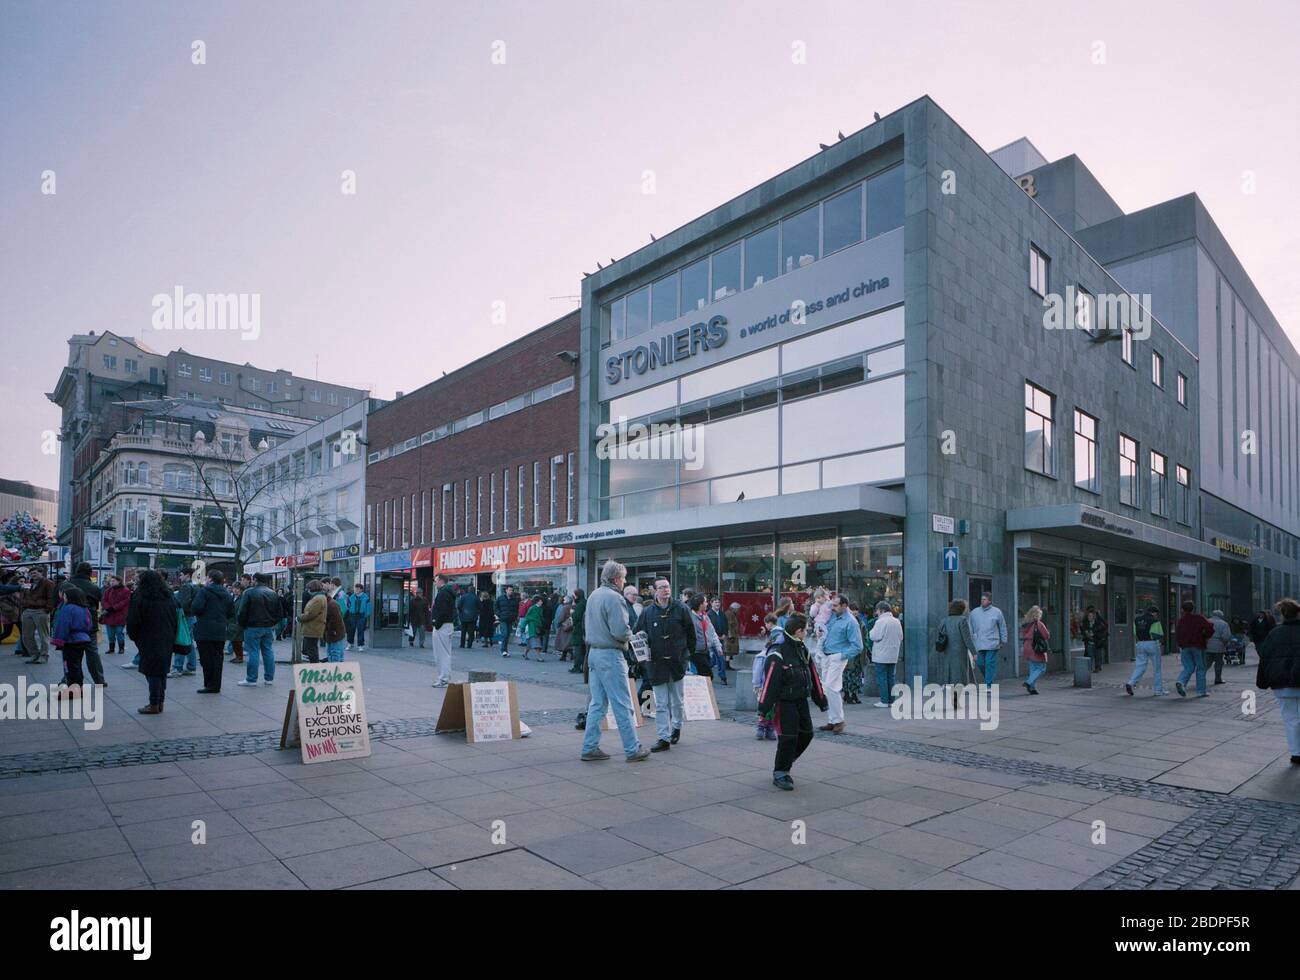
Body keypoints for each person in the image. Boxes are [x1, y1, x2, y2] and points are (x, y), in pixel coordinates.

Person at [580, 561, 650, 763]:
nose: (625, 581)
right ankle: (632, 748)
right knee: (622, 703)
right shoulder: (614, 598)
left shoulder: (594, 595)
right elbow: (620, 631)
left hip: (594, 652)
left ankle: (589, 746)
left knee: (597, 703)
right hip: (611, 654)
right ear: (616, 579)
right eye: (624, 577)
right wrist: (632, 635)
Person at [757, 612, 828, 791]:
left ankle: (787, 759)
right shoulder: (778, 651)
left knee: (807, 734)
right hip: (784, 702)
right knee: (788, 737)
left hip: (801, 699)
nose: (807, 632)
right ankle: (781, 772)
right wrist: (763, 708)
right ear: (798, 631)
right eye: (805, 630)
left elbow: (813, 675)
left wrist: (821, 699)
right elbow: (770, 682)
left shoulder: (802, 649)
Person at [637, 578, 695, 751]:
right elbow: (637, 633)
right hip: (656, 664)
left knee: (677, 700)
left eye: (668, 587)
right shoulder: (648, 612)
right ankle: (663, 737)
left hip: (677, 663)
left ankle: (676, 727)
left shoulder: (681, 609)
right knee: (661, 703)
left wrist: (686, 655)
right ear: (655, 591)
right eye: (662, 587)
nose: (665, 590)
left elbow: (691, 634)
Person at [127, 569, 179, 714]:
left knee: (152, 671)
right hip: (166, 636)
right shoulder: (168, 596)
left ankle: (154, 703)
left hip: (148, 637)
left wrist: (134, 636)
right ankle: (160, 701)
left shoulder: (140, 596)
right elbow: (175, 618)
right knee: (161, 670)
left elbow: (133, 621)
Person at [1255, 597, 1300, 766]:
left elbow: (1265, 658)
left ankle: (1296, 753)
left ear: (1282, 614)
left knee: (1290, 719)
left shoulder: (1274, 633)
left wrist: (1262, 680)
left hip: (1281, 683)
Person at [814, 594, 863, 730]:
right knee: (827, 688)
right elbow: (825, 630)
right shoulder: (832, 616)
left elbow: (858, 646)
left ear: (844, 606)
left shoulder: (851, 622)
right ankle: (833, 720)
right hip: (826, 656)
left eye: (835, 605)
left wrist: (842, 656)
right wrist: (820, 634)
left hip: (837, 657)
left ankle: (839, 720)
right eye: (832, 605)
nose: (832, 607)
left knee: (831, 687)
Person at [191, 569, 235, 693]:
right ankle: (216, 685)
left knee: (206, 658)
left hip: (204, 630)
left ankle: (209, 684)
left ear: (210, 579)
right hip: (220, 630)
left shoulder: (204, 591)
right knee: (217, 658)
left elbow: (196, 608)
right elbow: (231, 612)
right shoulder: (226, 593)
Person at [67, 562, 107, 686]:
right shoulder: (93, 587)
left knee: (71, 653)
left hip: (70, 622)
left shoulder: (67, 585)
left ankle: (70, 679)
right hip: (89, 623)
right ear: (89, 572)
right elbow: (98, 604)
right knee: (92, 652)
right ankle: (99, 680)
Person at [236, 573, 279, 686]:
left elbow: (242, 612)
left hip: (252, 626)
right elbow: (279, 612)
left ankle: (251, 679)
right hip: (268, 627)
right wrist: (273, 623)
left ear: (255, 580)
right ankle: (269, 678)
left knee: (253, 652)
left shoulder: (249, 592)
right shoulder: (273, 593)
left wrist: (242, 624)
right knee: (268, 651)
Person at [51, 586, 94, 697]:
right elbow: (89, 625)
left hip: (71, 640)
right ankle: (78, 687)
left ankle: (73, 690)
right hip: (82, 639)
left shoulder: (68, 608)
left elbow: (63, 625)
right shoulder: (85, 608)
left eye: (64, 596)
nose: (63, 598)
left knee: (69, 666)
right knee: (77, 665)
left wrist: (58, 640)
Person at [936, 598, 977, 696]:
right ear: (961, 609)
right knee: (959, 674)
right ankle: (956, 698)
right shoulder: (962, 620)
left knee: (950, 673)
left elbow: (940, 635)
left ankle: (953, 693)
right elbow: (967, 638)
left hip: (947, 651)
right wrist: (974, 652)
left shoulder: (944, 620)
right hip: (959, 651)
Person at [1174, 599, 1214, 698]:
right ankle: (1201, 691)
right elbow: (1210, 628)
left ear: (1182, 609)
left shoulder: (1181, 620)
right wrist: (1205, 636)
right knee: (1200, 668)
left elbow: (1178, 634)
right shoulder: (1199, 618)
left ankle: (1181, 681)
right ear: (1193, 609)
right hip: (1198, 645)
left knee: (1188, 667)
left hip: (1185, 647)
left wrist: (1181, 644)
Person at [18, 565, 57, 664]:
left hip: (41, 611)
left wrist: (47, 609)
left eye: (35, 573)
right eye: (31, 573)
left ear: (41, 573)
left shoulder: (48, 583)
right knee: (26, 635)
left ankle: (44, 655)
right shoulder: (29, 583)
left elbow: (51, 597)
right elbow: (24, 595)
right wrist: (24, 605)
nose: (33, 575)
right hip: (28, 610)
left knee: (43, 635)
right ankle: (34, 654)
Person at [1127, 604, 1167, 696]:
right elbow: (1159, 634)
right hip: (1152, 644)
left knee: (1140, 666)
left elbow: (1134, 632)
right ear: (1154, 613)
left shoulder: (1137, 620)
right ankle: (1158, 690)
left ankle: (1130, 683)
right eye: (1157, 614)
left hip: (1140, 643)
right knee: (1157, 668)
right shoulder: (1155, 621)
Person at [868, 600, 903, 707]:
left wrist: (870, 632)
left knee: (882, 678)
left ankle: (884, 701)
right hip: (893, 654)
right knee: (891, 678)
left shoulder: (880, 622)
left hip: (881, 655)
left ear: (882, 610)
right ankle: (891, 701)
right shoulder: (896, 621)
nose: (876, 613)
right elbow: (901, 637)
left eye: (877, 610)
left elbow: (874, 636)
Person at [968, 592, 1008, 685]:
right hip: (979, 642)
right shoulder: (974, 612)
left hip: (992, 642)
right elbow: (970, 627)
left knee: (989, 662)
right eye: (981, 599)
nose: (982, 601)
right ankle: (989, 678)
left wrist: (1003, 640)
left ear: (990, 601)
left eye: (984, 599)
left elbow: (1002, 626)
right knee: (980, 663)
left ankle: (988, 684)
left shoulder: (997, 612)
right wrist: (970, 640)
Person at [753, 613, 781, 738]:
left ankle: (768, 727)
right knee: (767, 707)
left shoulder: (767, 655)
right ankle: (763, 726)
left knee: (769, 706)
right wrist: (757, 684)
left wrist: (757, 684)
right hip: (766, 685)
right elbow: (758, 672)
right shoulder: (763, 657)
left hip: (769, 685)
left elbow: (757, 673)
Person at [688, 593, 725, 684]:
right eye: (705, 602)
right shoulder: (690, 617)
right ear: (699, 604)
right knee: (706, 675)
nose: (707, 604)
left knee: (705, 676)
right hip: (695, 652)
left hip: (705, 650)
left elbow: (712, 632)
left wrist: (718, 646)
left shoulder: (705, 616)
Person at [170, 567, 199, 677]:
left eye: (181, 575)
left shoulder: (186, 586)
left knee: (181, 641)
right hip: (192, 617)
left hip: (185, 617)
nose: (180, 577)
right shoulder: (196, 586)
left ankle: (177, 668)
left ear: (187, 575)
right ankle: (191, 667)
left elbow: (183, 603)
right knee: (189, 642)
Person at [430, 573, 456, 686]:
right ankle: (444, 677)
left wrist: (436, 623)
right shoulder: (447, 592)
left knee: (441, 654)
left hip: (443, 626)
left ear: (441, 581)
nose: (435, 583)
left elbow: (442, 610)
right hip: (447, 625)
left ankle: (443, 679)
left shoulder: (443, 592)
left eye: (436, 580)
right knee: (445, 653)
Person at [1021, 605, 1049, 695]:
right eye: (1040, 614)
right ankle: (1029, 682)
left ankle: (1032, 688)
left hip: (1027, 646)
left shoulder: (1025, 623)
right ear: (1037, 615)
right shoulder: (1039, 624)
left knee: (1033, 668)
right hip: (1035, 647)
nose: (1040, 616)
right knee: (1042, 668)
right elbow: (1046, 635)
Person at [298, 580, 328, 663]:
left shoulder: (318, 599)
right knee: (312, 648)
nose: (308, 590)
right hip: (313, 627)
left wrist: (299, 618)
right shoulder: (318, 597)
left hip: (313, 627)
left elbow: (311, 614)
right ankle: (314, 666)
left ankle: (314, 667)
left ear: (313, 588)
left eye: (309, 588)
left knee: (311, 649)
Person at [100, 575, 131, 656]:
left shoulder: (125, 590)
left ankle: (121, 648)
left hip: (120, 615)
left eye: (113, 581)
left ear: (119, 581)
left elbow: (125, 601)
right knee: (110, 634)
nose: (111, 582)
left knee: (119, 632)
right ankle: (111, 648)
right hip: (109, 614)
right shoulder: (108, 590)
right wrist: (108, 607)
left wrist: (114, 607)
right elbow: (104, 600)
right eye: (111, 581)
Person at [1206, 609, 1232, 685]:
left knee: (1207, 663)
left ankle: (1200, 677)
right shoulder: (1224, 624)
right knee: (1219, 662)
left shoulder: (1207, 621)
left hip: (1208, 645)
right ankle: (1218, 678)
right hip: (1219, 645)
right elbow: (1226, 636)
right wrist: (1225, 643)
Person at [324, 580, 348, 662]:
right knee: (335, 652)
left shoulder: (340, 594)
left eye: (330, 584)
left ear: (333, 584)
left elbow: (342, 610)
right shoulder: (337, 593)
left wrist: (339, 618)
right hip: (336, 624)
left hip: (336, 626)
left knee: (336, 652)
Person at [1081, 605, 1108, 673]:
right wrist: (1085, 633)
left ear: (1094, 616)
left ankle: (1097, 667)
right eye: (1088, 616)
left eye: (1091, 616)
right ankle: (1089, 668)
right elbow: (1082, 628)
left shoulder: (1098, 622)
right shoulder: (1085, 621)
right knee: (1089, 655)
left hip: (1097, 641)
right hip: (1089, 641)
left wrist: (1094, 633)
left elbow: (1103, 628)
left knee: (1097, 654)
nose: (1089, 617)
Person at [345, 583, 370, 651]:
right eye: (355, 588)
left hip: (361, 616)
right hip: (352, 615)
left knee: (360, 630)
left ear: (361, 589)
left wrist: (366, 615)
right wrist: (349, 612)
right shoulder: (351, 597)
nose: (356, 590)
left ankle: (360, 645)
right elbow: (348, 605)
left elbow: (368, 607)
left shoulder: (366, 597)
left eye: (358, 588)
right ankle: (350, 643)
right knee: (351, 630)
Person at [495, 585, 518, 656]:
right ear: (506, 590)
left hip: (510, 619)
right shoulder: (500, 598)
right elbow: (496, 607)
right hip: (503, 619)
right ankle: (503, 650)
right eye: (510, 590)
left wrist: (515, 616)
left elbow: (516, 609)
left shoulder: (514, 599)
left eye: (512, 590)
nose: (511, 591)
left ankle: (505, 650)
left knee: (507, 635)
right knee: (504, 634)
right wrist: (499, 614)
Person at [568, 589, 587, 673]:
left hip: (579, 629)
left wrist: (572, 613)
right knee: (583, 650)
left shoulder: (580, 605)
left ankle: (577, 667)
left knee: (578, 650)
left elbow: (577, 617)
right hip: (584, 629)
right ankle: (582, 666)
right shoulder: (585, 602)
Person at [521, 596, 546, 661]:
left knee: (530, 643)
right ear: (537, 601)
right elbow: (527, 618)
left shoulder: (540, 609)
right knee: (537, 643)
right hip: (532, 628)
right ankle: (539, 657)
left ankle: (525, 654)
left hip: (538, 628)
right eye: (540, 601)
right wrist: (522, 627)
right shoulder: (532, 608)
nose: (542, 602)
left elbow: (541, 618)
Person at [227, 583, 245, 664]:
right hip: (231, 622)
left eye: (237, 589)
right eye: (234, 588)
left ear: (241, 590)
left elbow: (241, 611)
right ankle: (237, 656)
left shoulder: (242, 598)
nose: (235, 590)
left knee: (238, 641)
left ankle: (240, 657)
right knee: (233, 641)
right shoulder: (232, 597)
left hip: (238, 622)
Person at [554, 593, 575, 660]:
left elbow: (561, 617)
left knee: (564, 641)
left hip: (564, 626)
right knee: (568, 641)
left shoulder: (565, 607)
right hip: (570, 625)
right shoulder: (573, 606)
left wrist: (558, 623)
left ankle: (564, 656)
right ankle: (567, 655)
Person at [724, 601, 741, 670]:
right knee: (728, 650)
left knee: (729, 651)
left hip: (731, 635)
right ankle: (726, 664)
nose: (738, 610)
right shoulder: (729, 614)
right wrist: (731, 635)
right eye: (737, 609)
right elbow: (729, 625)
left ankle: (727, 664)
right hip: (730, 635)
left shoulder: (730, 613)